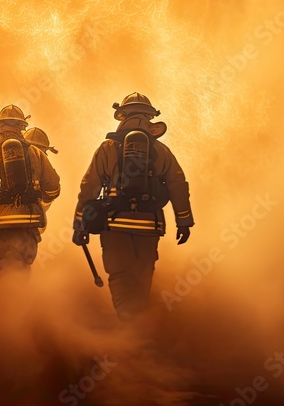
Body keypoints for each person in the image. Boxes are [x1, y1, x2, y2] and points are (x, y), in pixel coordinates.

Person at [72, 93, 194, 321]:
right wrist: (184, 221)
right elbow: (178, 186)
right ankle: (139, 327)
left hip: (114, 226)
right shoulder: (161, 151)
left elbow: (89, 187)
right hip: (150, 227)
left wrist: (80, 224)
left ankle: (128, 326)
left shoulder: (107, 148)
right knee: (142, 276)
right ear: (150, 117)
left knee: (120, 276)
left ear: (122, 116)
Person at [0, 107, 60, 281]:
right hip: (28, 220)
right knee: (23, 267)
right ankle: (21, 303)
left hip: (0, 222)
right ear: (21, 127)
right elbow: (53, 187)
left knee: (7, 268)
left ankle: (9, 304)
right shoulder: (36, 153)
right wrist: (40, 202)